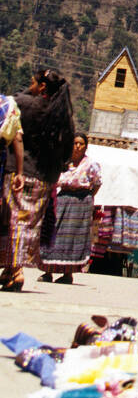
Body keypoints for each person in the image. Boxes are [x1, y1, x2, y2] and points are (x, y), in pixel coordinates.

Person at [0, 70, 75, 292]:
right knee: (29, 224)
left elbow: (9, 105)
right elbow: (67, 152)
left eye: (33, 82)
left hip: (19, 172)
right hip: (46, 178)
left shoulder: (24, 104)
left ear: (42, 86)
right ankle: (11, 270)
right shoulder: (64, 116)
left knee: (13, 221)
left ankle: (16, 270)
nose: (30, 85)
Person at [39, 132, 101, 283]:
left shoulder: (91, 164)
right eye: (75, 143)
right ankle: (48, 271)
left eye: (81, 144)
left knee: (74, 237)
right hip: (63, 198)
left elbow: (97, 183)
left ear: (86, 146)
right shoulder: (63, 163)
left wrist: (88, 197)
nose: (78, 146)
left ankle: (68, 274)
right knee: (55, 234)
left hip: (82, 202)